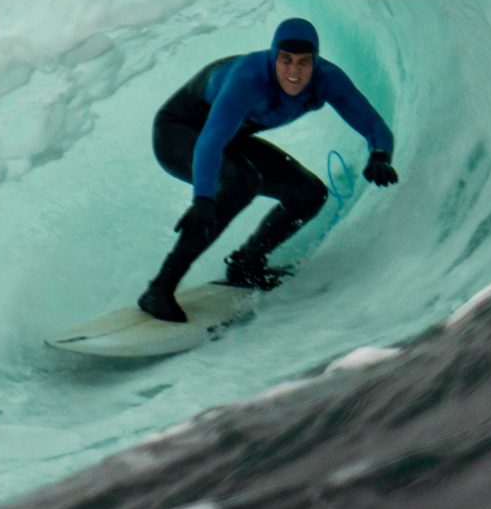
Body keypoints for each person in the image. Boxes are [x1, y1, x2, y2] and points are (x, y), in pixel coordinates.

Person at [138, 16, 397, 322]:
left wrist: (380, 154)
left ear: (315, 61)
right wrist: (204, 198)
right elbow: (210, 141)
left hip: (228, 138)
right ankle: (159, 289)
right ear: (274, 57)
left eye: (304, 62)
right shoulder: (247, 78)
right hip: (178, 133)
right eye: (285, 61)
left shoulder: (328, 79)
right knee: (241, 181)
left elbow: (373, 124)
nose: (294, 72)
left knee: (308, 193)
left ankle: (246, 264)